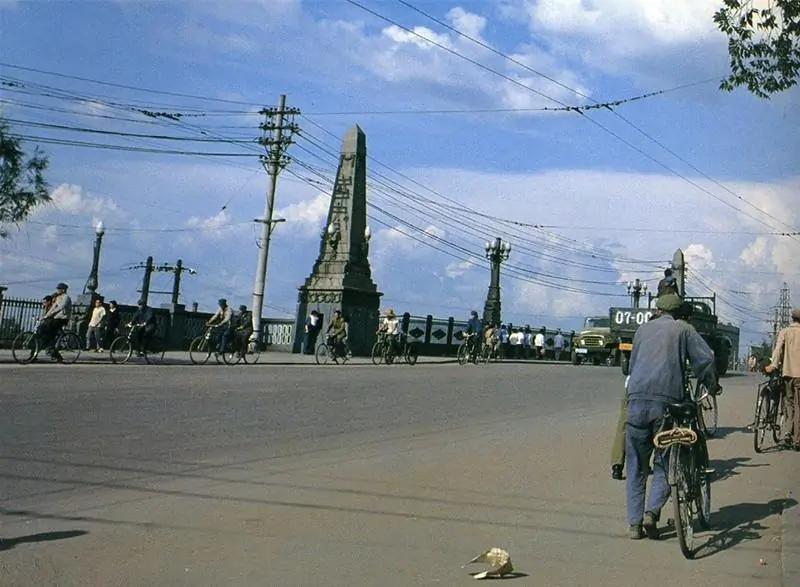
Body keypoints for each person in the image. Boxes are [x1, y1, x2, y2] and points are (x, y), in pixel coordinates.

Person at [624, 292, 717, 540]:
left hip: (635, 401)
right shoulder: (683, 329)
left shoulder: (642, 331)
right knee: (665, 460)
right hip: (666, 405)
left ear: (658, 309)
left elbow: (632, 367)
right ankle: (651, 513)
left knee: (635, 465)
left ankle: (634, 525)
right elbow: (706, 358)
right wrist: (711, 383)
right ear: (679, 312)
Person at [765, 307, 800, 450]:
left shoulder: (785, 332)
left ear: (792, 318)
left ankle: (787, 433)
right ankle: (797, 439)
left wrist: (773, 365)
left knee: (789, 405)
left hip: (787, 374)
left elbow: (778, 350)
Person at [38, 282, 72, 357]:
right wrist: (46, 316)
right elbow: (53, 307)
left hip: (63, 318)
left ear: (63, 290)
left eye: (59, 289)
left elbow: (60, 307)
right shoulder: (58, 298)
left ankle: (51, 347)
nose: (57, 290)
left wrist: (51, 314)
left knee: (51, 327)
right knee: (44, 327)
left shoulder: (66, 297)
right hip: (56, 318)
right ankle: (49, 346)